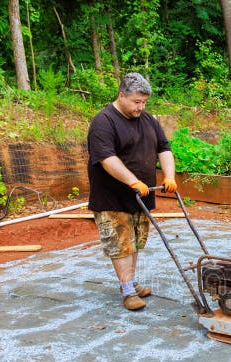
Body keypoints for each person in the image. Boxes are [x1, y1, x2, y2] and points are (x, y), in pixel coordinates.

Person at [87, 72, 177, 311]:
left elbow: (164, 148)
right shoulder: (103, 122)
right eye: (136, 102)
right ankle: (127, 291)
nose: (141, 107)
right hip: (112, 196)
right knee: (121, 243)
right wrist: (132, 181)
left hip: (141, 196)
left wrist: (169, 175)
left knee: (135, 242)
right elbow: (107, 159)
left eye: (144, 102)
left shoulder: (148, 120)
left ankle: (131, 284)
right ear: (121, 95)